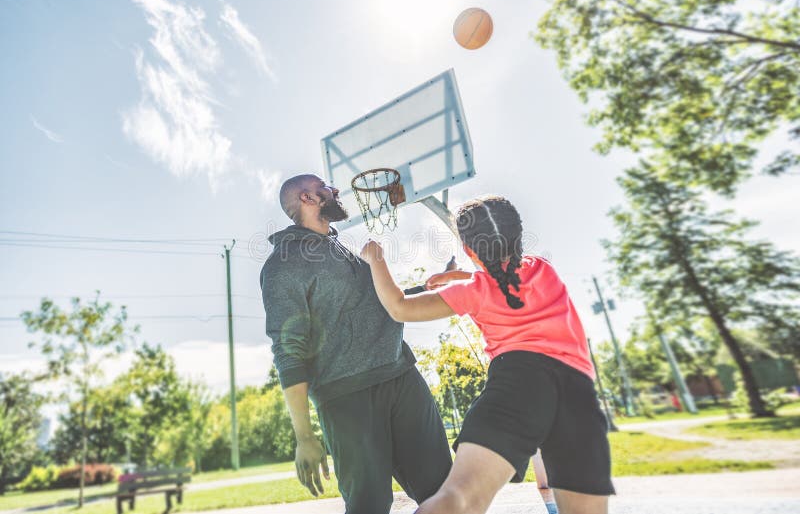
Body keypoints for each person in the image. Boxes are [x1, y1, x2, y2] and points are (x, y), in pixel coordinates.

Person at [360, 195, 615, 514]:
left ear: (468, 251)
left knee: (458, 500)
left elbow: (398, 307)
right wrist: (456, 277)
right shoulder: (543, 269)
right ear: (518, 236)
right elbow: (505, 281)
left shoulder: (473, 292)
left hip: (519, 385)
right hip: (576, 393)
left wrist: (376, 259)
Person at [260, 174, 452, 514]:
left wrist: (432, 286)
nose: (335, 191)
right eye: (327, 187)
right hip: (346, 395)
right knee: (370, 506)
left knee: (446, 493)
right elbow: (288, 351)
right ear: (307, 198)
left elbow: (381, 304)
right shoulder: (282, 265)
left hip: (400, 376)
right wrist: (304, 436)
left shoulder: (340, 245)